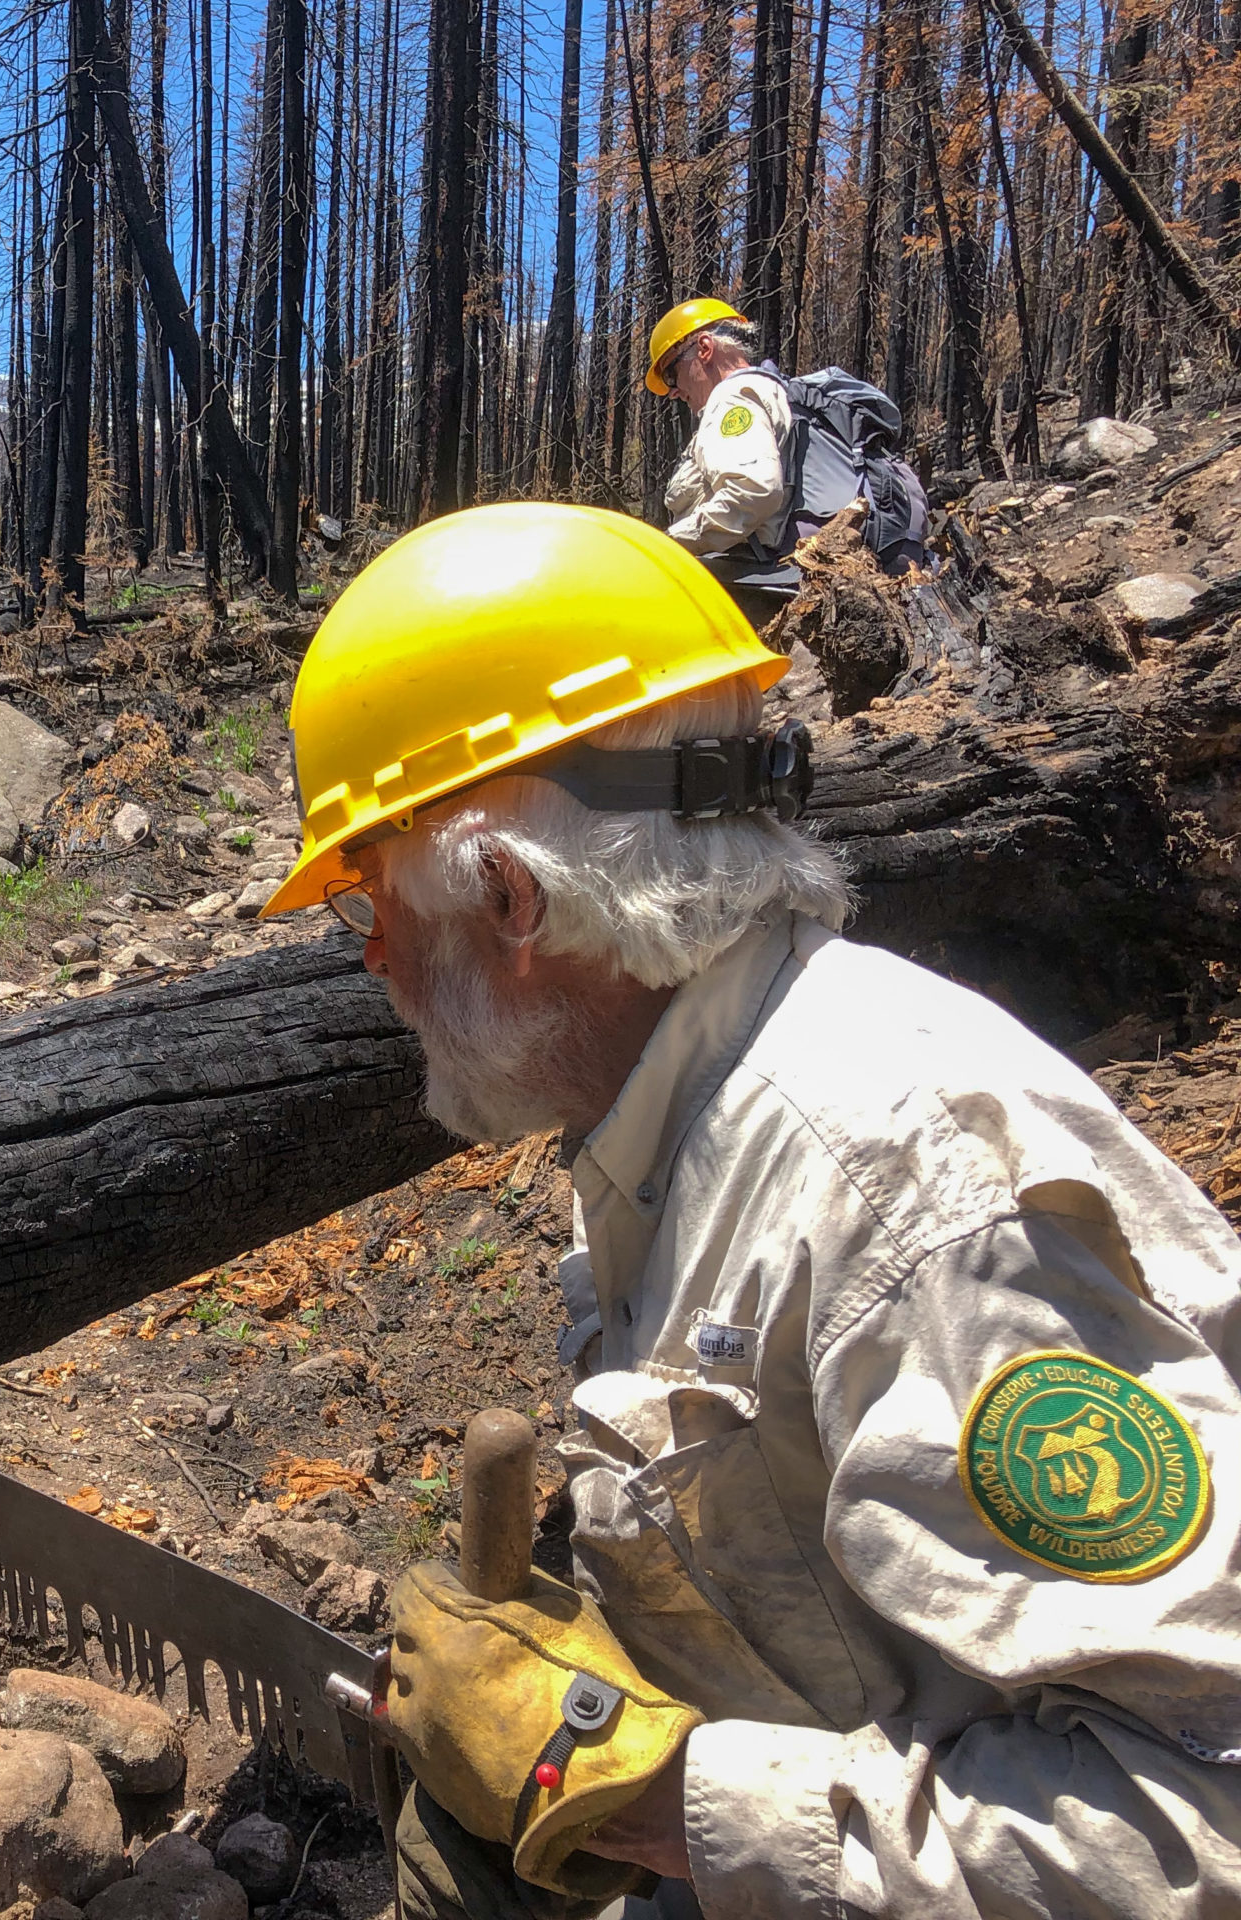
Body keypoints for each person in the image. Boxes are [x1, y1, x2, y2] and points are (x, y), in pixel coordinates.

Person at [263, 502, 1241, 1918]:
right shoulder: (674, 1124)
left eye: (372, 910)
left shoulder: (906, 1207)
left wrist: (656, 1801)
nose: (373, 969)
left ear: (514, 900)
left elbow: (1202, 1823)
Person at [646, 297, 800, 626]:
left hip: (749, 592)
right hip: (768, 582)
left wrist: (669, 545)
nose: (674, 392)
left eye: (672, 374)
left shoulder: (731, 398)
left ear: (704, 348)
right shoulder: (772, 391)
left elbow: (754, 489)